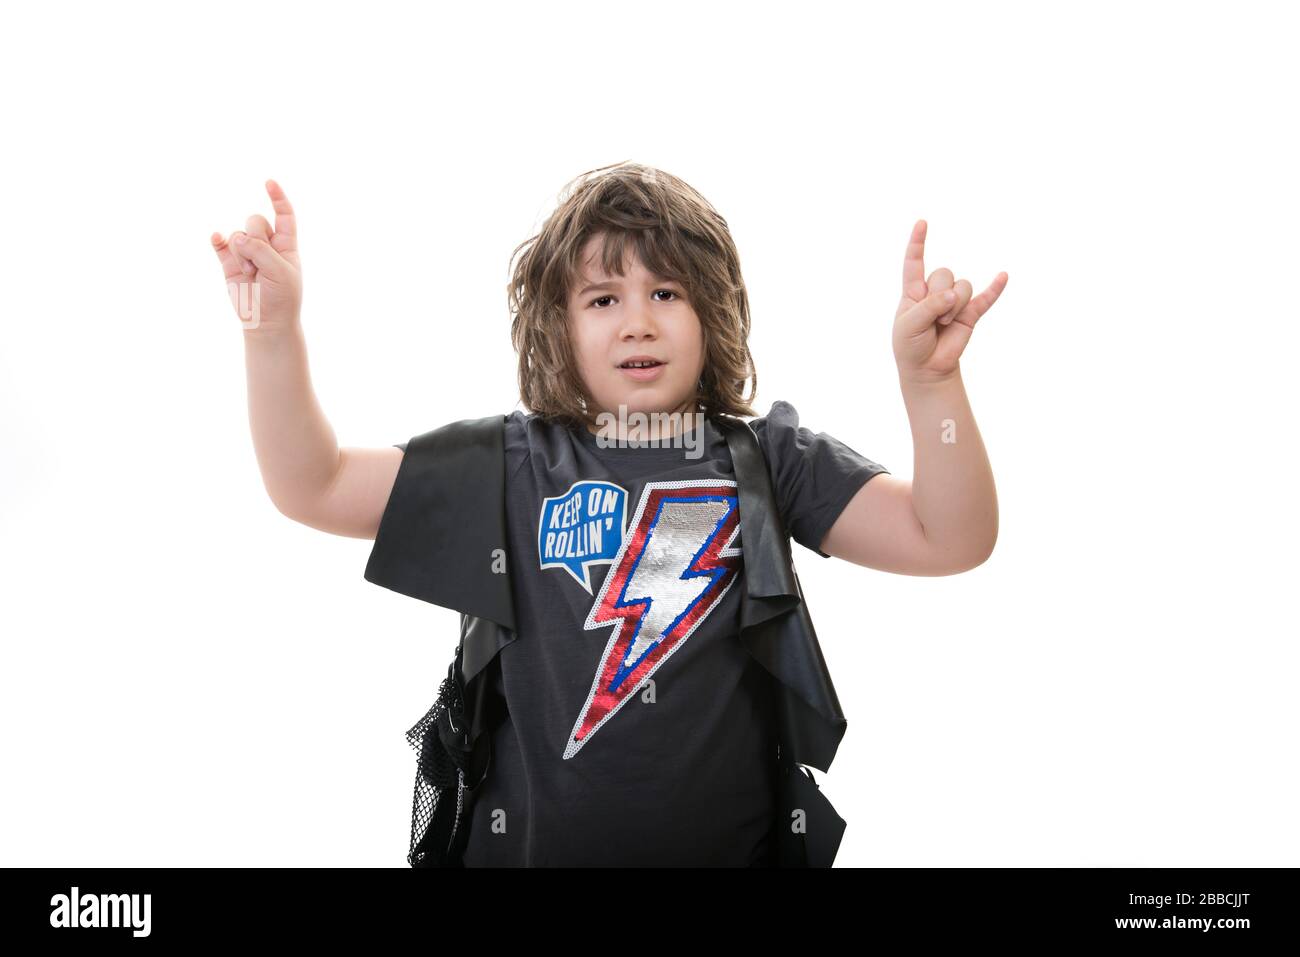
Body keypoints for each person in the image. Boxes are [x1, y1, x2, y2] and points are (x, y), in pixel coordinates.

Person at [210, 161, 1006, 866]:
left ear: (714, 315)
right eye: (602, 296)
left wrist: (932, 388)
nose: (638, 319)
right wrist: (271, 333)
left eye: (666, 291)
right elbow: (312, 483)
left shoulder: (769, 460)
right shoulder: (506, 466)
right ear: (558, 324)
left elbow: (950, 537)